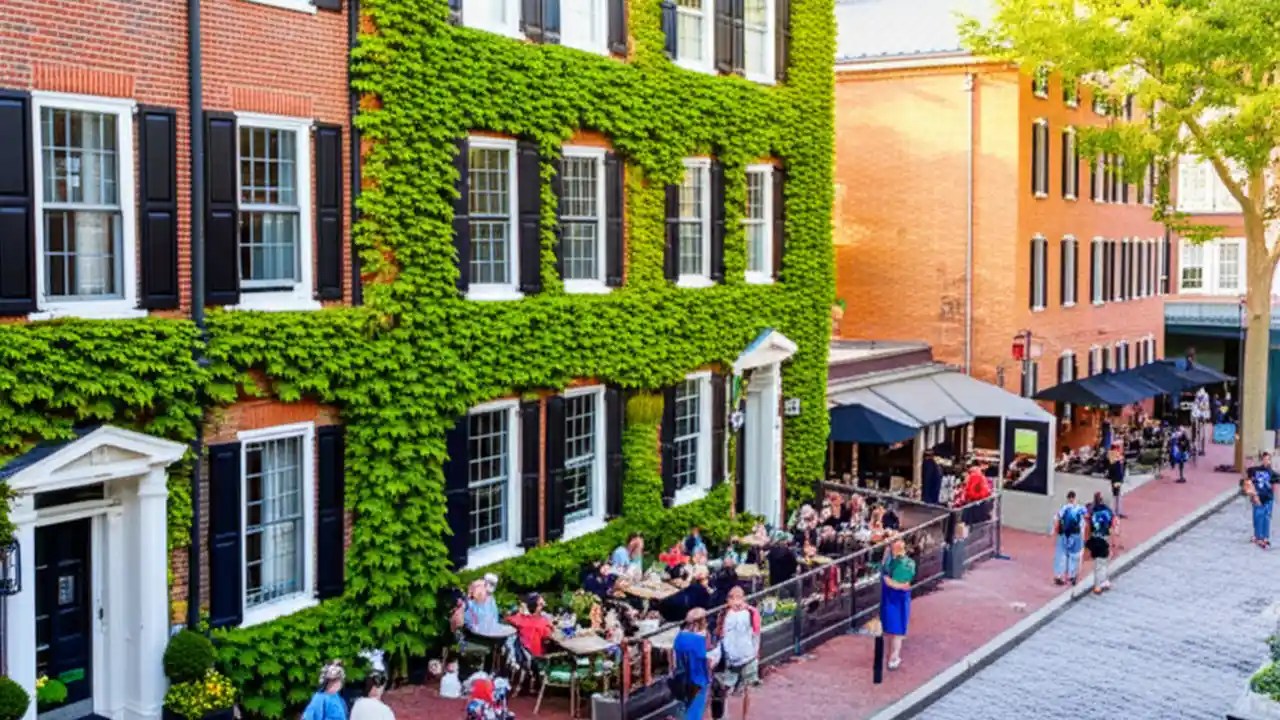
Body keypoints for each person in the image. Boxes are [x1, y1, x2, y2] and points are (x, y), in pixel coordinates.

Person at [673, 608, 720, 720]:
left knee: (684, 708)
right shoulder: (700, 640)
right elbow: (708, 661)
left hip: (682, 678)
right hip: (699, 680)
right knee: (695, 711)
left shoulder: (679, 637)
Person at [716, 586, 762, 700]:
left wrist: (756, 653)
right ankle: (724, 715)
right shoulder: (723, 613)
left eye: (738, 597)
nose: (736, 601)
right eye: (732, 597)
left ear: (743, 598)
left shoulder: (751, 612)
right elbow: (719, 633)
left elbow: (756, 633)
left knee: (748, 689)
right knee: (725, 688)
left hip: (749, 657)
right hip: (730, 659)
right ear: (728, 599)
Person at [879, 538, 916, 670]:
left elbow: (901, 583)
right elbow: (884, 573)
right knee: (890, 627)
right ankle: (892, 654)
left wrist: (890, 582)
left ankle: (894, 655)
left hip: (898, 597)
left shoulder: (907, 563)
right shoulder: (889, 561)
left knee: (897, 629)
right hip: (889, 596)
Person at [1053, 491, 1088, 585]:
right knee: (1074, 556)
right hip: (1076, 535)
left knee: (1062, 555)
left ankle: (1059, 576)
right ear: (1075, 498)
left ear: (1068, 498)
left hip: (1064, 534)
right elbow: (1086, 519)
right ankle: (1072, 576)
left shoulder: (1064, 508)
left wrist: (1056, 532)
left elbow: (1056, 519)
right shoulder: (1080, 508)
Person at [1246, 452, 1279, 549]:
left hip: (1268, 497)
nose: (1266, 461)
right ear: (1261, 460)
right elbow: (1247, 479)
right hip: (1258, 497)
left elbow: (1274, 484)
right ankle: (1258, 536)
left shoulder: (1272, 472)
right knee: (1258, 516)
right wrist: (1252, 494)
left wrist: (1274, 496)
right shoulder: (1255, 470)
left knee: (1266, 517)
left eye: (1268, 459)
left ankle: (1265, 537)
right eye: (1265, 459)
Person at [1085, 492, 1116, 595]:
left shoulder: (1091, 510)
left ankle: (1104, 581)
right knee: (1102, 561)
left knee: (1100, 561)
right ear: (1102, 499)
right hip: (1103, 538)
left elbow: (1089, 525)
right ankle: (1098, 585)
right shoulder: (1107, 510)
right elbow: (1112, 523)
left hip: (1094, 537)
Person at [506, 592, 554, 657]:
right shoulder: (543, 622)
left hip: (525, 655)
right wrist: (551, 626)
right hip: (538, 657)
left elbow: (508, 618)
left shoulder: (521, 620)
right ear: (539, 604)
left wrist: (521, 612)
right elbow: (548, 638)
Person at [1107, 442, 1127, 518]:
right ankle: (1114, 512)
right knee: (1115, 494)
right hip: (1115, 478)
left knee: (1118, 494)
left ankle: (1117, 511)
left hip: (1119, 477)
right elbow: (1113, 467)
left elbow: (1122, 466)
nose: (1120, 449)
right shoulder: (1113, 455)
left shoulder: (1118, 455)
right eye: (1118, 447)